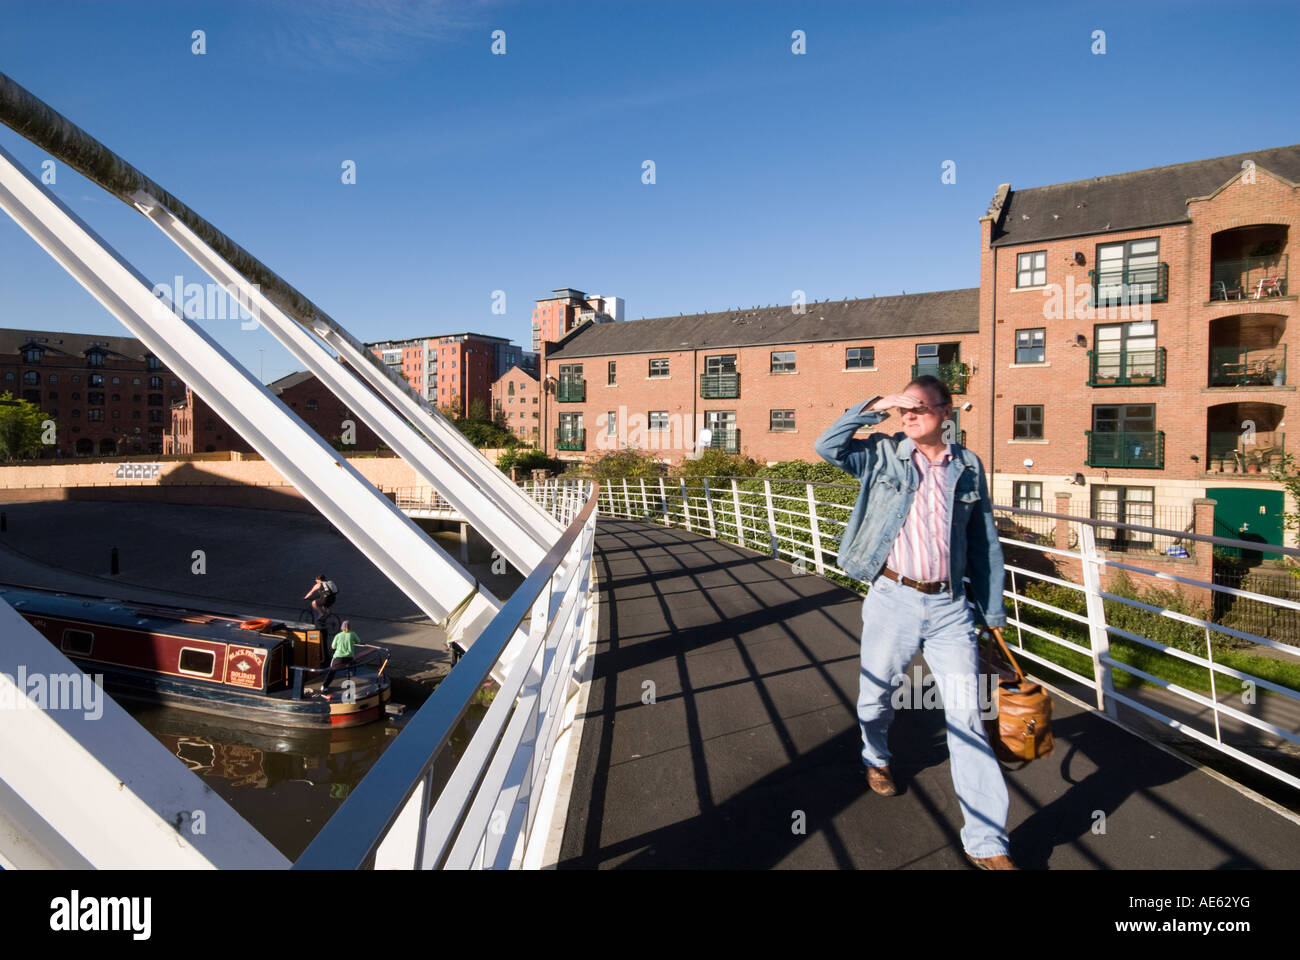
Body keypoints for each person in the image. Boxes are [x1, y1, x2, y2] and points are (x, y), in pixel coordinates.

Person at [814, 374, 1016, 870]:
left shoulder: (968, 466)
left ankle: (987, 841)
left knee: (967, 715)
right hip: (892, 597)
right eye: (905, 408)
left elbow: (985, 541)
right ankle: (876, 755)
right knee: (875, 694)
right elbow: (827, 446)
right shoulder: (883, 453)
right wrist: (876, 405)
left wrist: (992, 614)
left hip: (950, 607)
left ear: (947, 412)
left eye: (920, 406)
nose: (910, 415)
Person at [319, 620, 357, 694]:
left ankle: (324, 686)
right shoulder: (353, 634)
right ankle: (349, 672)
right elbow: (358, 641)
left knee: (332, 671)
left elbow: (333, 647)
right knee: (351, 663)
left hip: (338, 658)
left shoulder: (338, 635)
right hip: (349, 657)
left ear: (342, 628)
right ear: (349, 627)